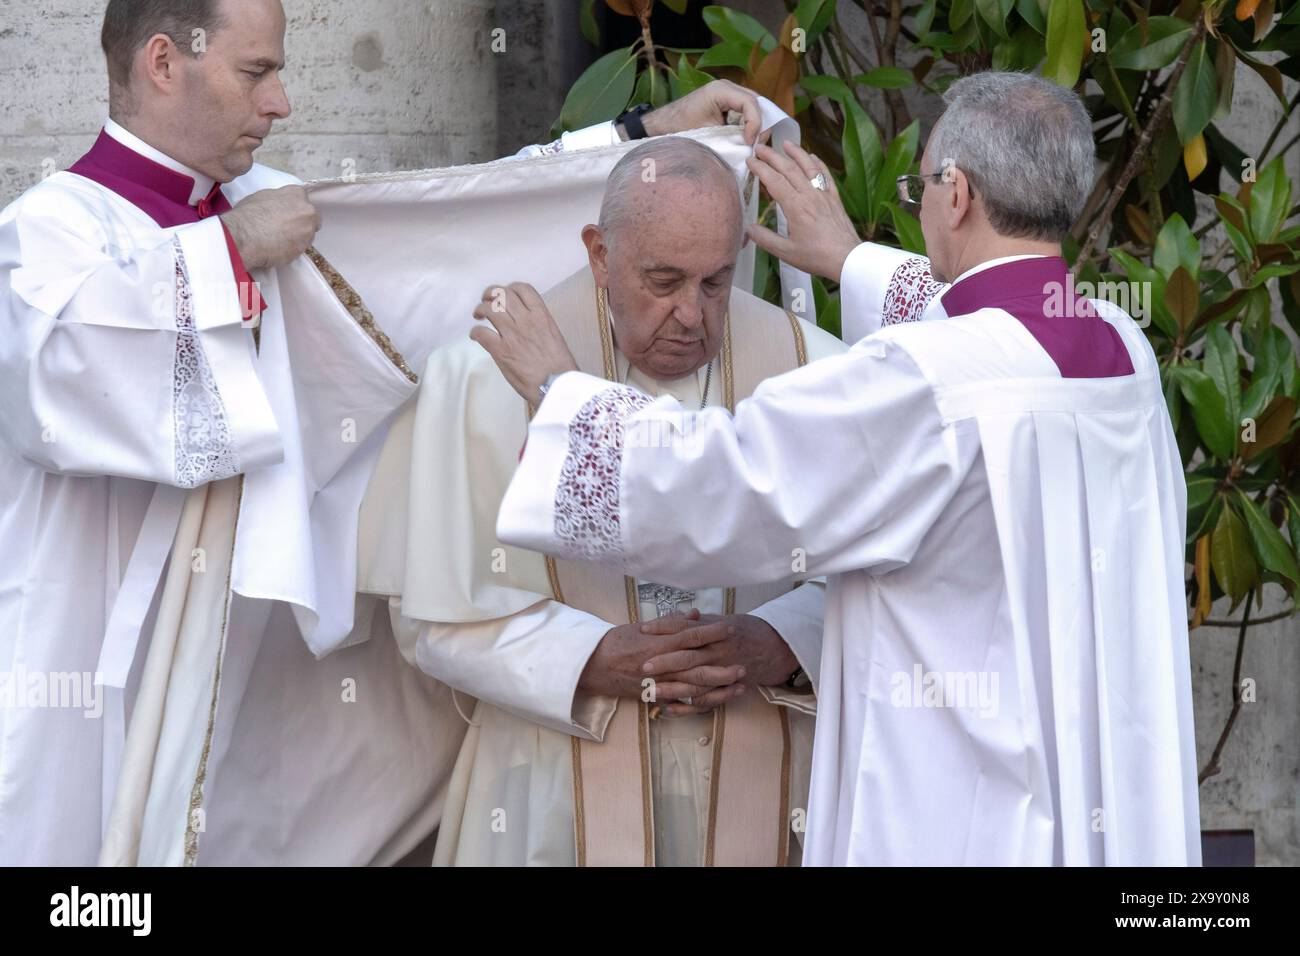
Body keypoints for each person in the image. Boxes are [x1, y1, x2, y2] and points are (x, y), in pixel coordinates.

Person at [0, 0, 764, 865]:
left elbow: (443, 234)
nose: (282, 101)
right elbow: (59, 378)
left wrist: (642, 139)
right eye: (257, 72)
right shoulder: (50, 229)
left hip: (246, 653)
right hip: (87, 636)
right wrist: (225, 255)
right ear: (165, 63)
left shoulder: (267, 204)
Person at [472, 71, 1202, 866]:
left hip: (966, 811)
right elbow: (993, 326)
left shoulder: (919, 381)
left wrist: (559, 390)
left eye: (920, 186)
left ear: (954, 195)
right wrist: (851, 259)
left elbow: (725, 482)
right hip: (1096, 795)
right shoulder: (1117, 345)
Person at [359, 137, 843, 866]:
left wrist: (780, 641)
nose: (691, 314)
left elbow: (874, 583)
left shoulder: (819, 370)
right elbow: (432, 622)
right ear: (598, 252)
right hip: (554, 781)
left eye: (715, 281)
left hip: (770, 768)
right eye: (663, 280)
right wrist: (590, 657)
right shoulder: (476, 378)